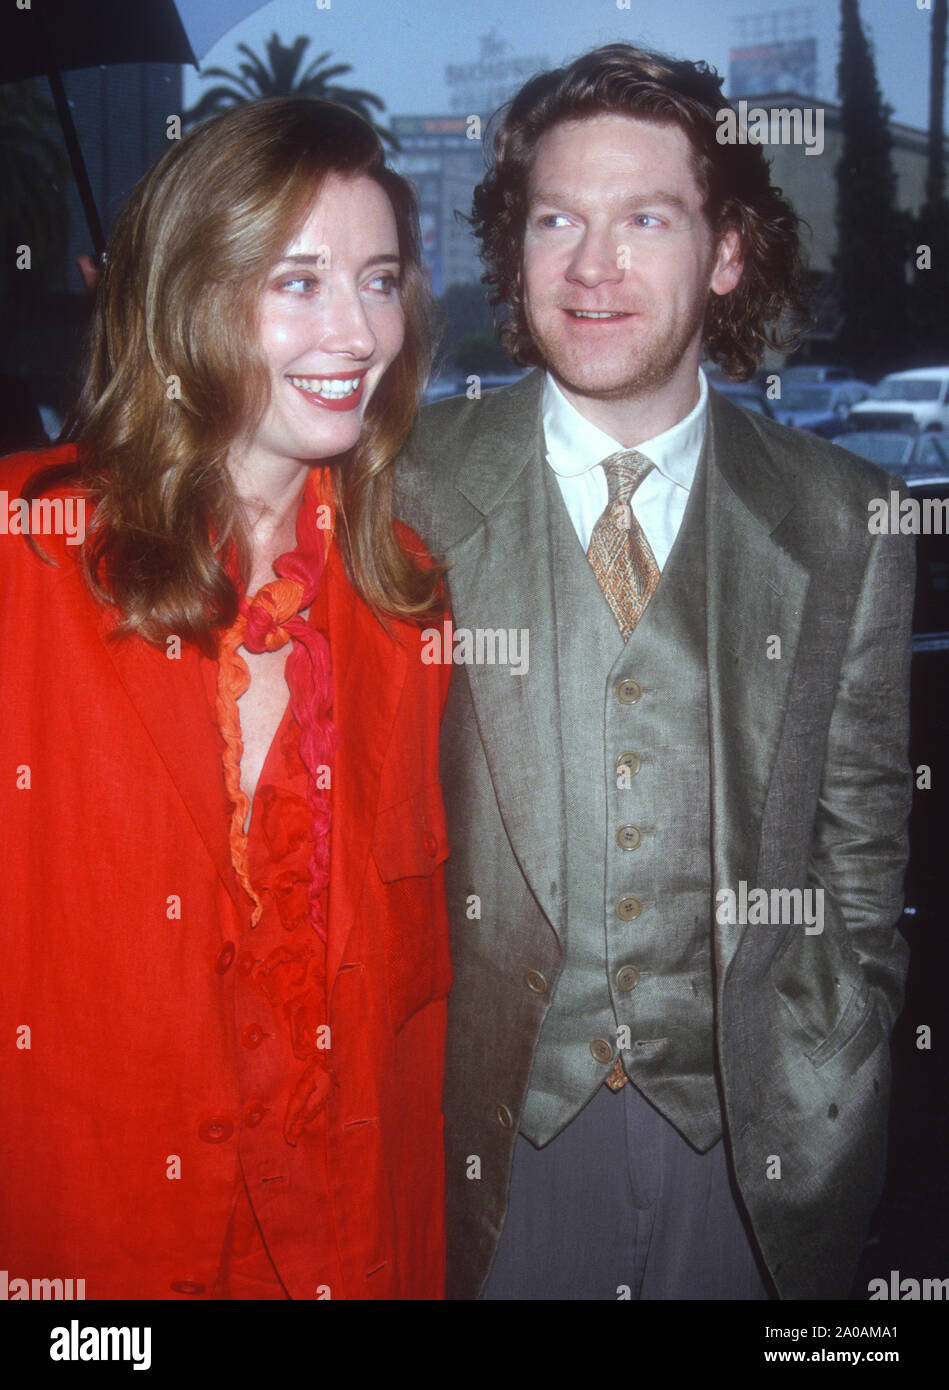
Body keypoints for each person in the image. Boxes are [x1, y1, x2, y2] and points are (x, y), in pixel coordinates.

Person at [396, 43, 914, 1301]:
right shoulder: (400, 488)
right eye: (557, 218)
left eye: (646, 218)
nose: (592, 265)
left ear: (725, 250)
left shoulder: (847, 517)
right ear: (513, 249)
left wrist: (833, 1057)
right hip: (482, 1130)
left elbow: (861, 855)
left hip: (747, 1140)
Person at [0, 97, 451, 1300]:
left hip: (339, 1252)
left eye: (380, 278)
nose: (358, 331)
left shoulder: (407, 604)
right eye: (295, 280)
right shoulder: (22, 556)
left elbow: (407, 1015)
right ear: (186, 294)